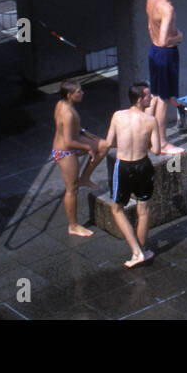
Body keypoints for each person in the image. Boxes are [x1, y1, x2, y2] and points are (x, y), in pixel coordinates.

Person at [105, 82, 160, 268]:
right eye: (148, 96)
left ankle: (137, 252)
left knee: (117, 209)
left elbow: (109, 142)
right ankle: (140, 251)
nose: (151, 98)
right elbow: (158, 150)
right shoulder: (151, 121)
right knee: (143, 211)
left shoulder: (117, 116)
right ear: (139, 99)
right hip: (143, 165)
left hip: (124, 166)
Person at [51, 80, 110, 238]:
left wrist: (84, 131)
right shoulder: (68, 113)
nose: (82, 93)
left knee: (104, 146)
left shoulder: (62, 104)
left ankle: (85, 177)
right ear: (70, 95)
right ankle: (73, 225)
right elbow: (69, 141)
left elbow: (66, 127)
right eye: (79, 91)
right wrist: (87, 147)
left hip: (71, 144)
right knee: (72, 189)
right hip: (65, 152)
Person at [146, 0, 186, 155]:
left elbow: (150, 27)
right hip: (164, 54)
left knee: (154, 95)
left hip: (153, 51)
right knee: (163, 99)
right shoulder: (167, 8)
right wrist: (178, 37)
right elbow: (164, 41)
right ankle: (162, 143)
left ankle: (147, 136)